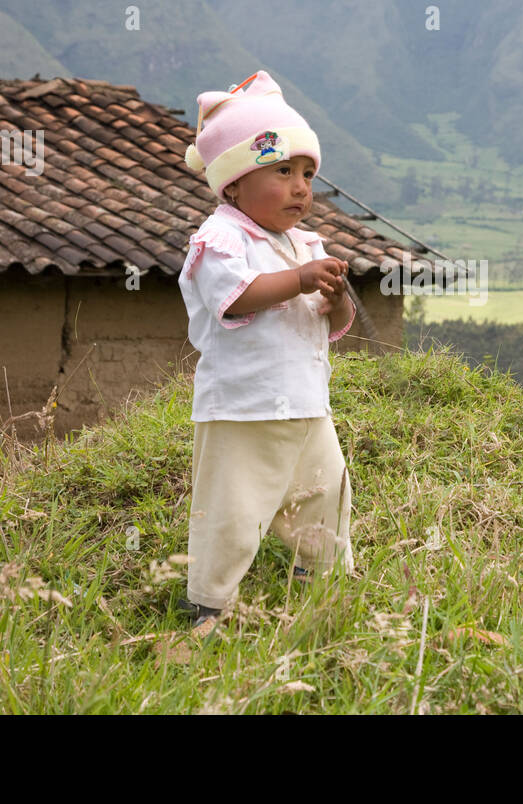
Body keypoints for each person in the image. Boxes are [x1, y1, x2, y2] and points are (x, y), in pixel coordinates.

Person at [176, 71, 356, 629]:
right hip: (243, 408)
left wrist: (337, 297)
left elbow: (331, 324)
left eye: (307, 173)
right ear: (233, 184)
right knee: (233, 510)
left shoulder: (305, 243)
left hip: (306, 406)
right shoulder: (219, 239)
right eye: (282, 171)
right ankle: (209, 603)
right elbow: (235, 300)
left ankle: (322, 585)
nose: (302, 187)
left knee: (326, 495)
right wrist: (301, 279)